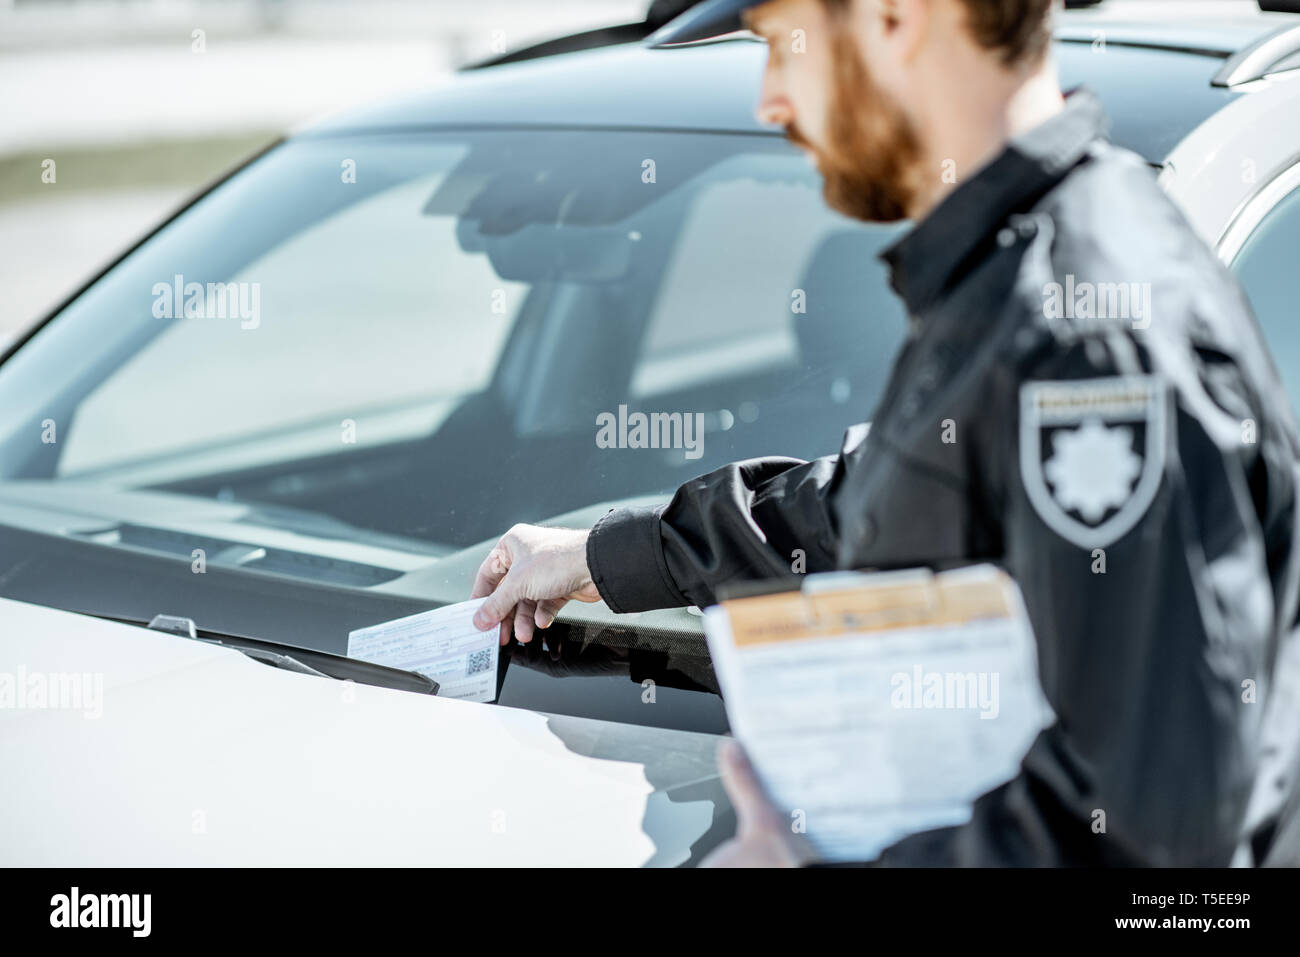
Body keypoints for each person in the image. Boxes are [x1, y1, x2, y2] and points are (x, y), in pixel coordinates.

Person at [469, 0, 1300, 866]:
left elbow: (1158, 845)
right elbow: (877, 500)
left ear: (897, 18)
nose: (771, 100)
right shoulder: (1017, 273)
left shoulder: (1085, 336)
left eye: (783, 49)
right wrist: (610, 556)